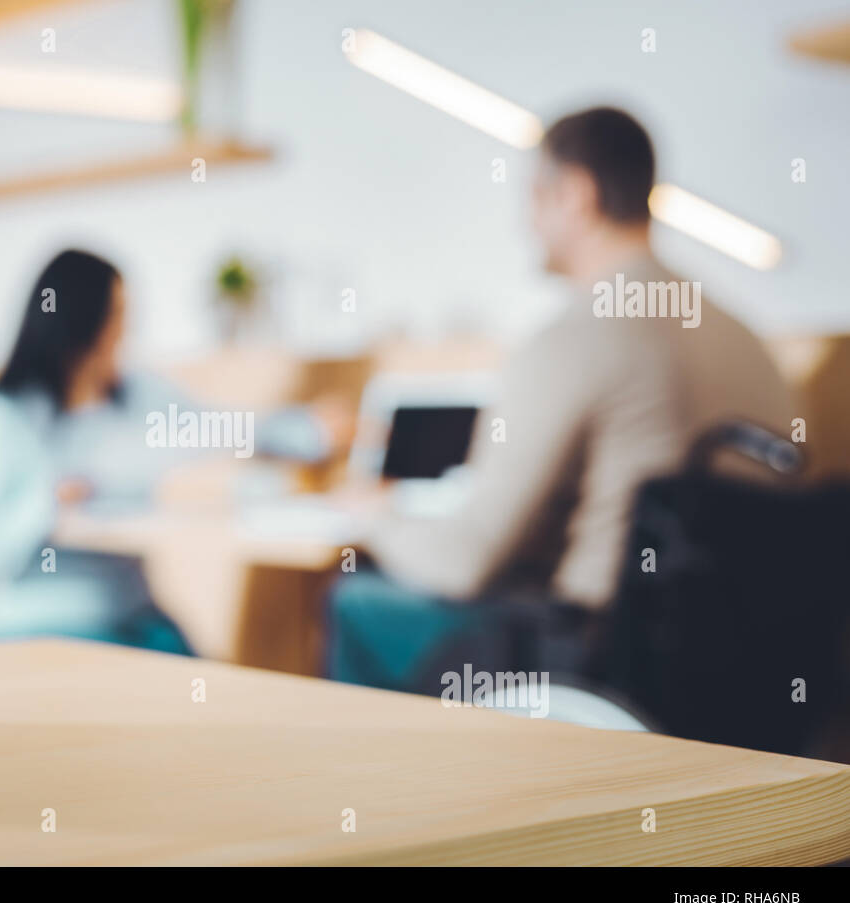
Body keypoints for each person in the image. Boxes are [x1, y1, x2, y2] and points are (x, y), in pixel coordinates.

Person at [330, 107, 795, 690]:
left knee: (358, 600)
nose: (525, 223)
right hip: (739, 669)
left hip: (595, 657)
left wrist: (377, 516)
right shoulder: (744, 337)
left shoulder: (575, 336)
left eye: (533, 197)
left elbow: (463, 565)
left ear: (574, 194)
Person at [0, 248, 347, 652]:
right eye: (117, 316)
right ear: (83, 322)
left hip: (135, 616)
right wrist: (45, 503)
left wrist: (311, 431)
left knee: (202, 670)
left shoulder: (136, 399)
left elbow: (220, 428)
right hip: (39, 625)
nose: (125, 332)